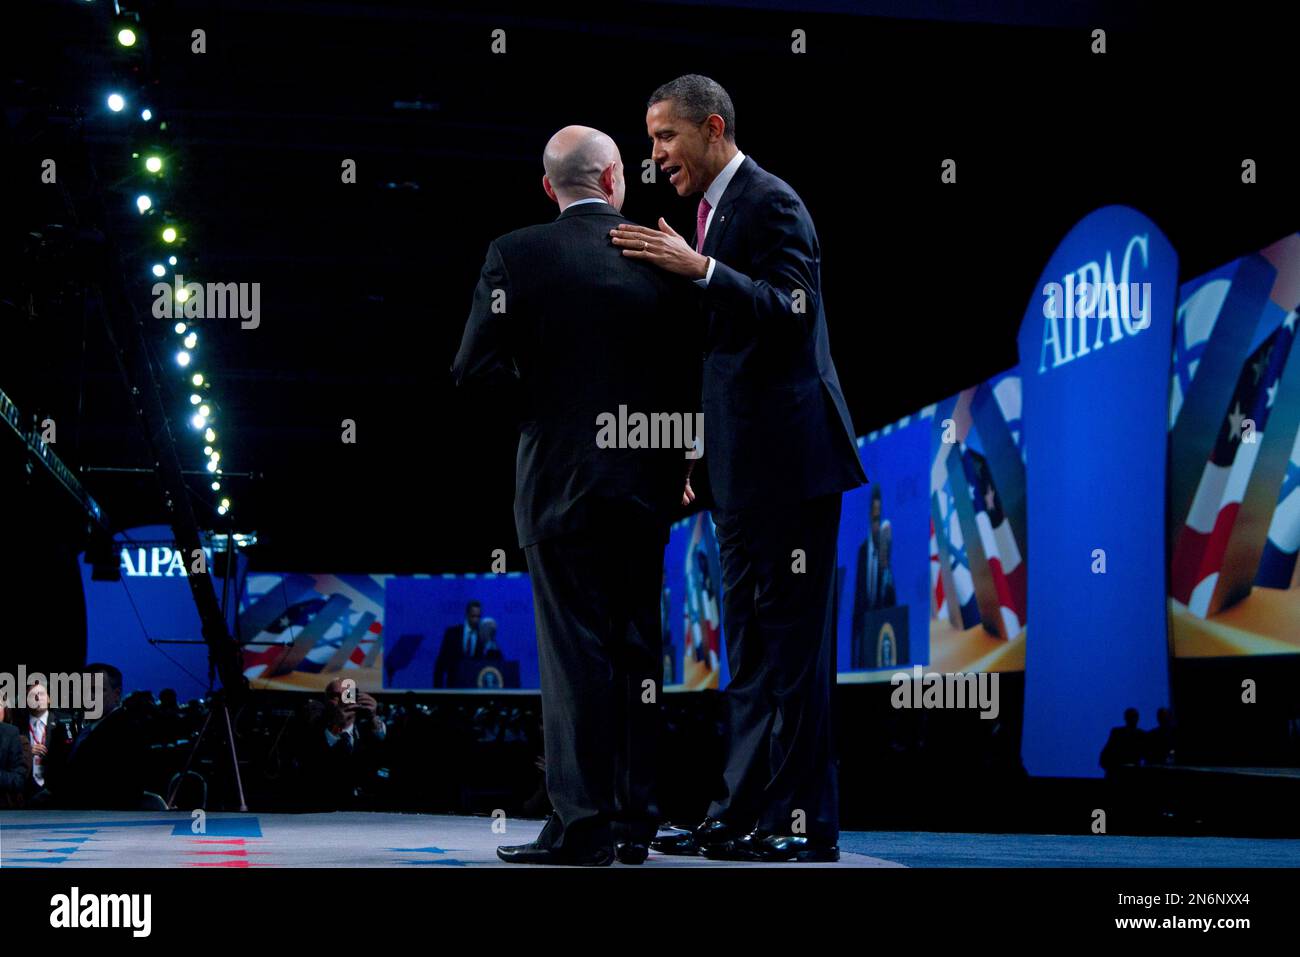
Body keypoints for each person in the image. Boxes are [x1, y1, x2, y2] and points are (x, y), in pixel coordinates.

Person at [613, 75, 867, 862]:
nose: (655, 156)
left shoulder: (771, 201)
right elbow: (727, 352)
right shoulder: (712, 210)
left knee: (792, 656)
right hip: (738, 468)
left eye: (664, 137)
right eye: (650, 140)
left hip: (791, 466)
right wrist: (700, 444)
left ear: (712, 127)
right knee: (749, 656)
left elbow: (793, 311)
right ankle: (740, 813)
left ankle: (801, 826)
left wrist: (702, 271)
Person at [454, 124, 697, 865]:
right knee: (636, 657)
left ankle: (581, 825)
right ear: (617, 178)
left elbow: (473, 370)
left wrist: (550, 404)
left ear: (548, 187)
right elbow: (692, 367)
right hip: (646, 484)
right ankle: (634, 822)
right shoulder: (660, 253)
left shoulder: (516, 253)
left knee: (574, 661)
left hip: (560, 484)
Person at [434, 601, 486, 688]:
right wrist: (437, 690)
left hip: (474, 688)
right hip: (453, 687)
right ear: (467, 615)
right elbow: (440, 663)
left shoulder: (482, 636)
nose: (476, 620)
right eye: (473, 616)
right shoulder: (452, 634)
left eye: (478, 617)